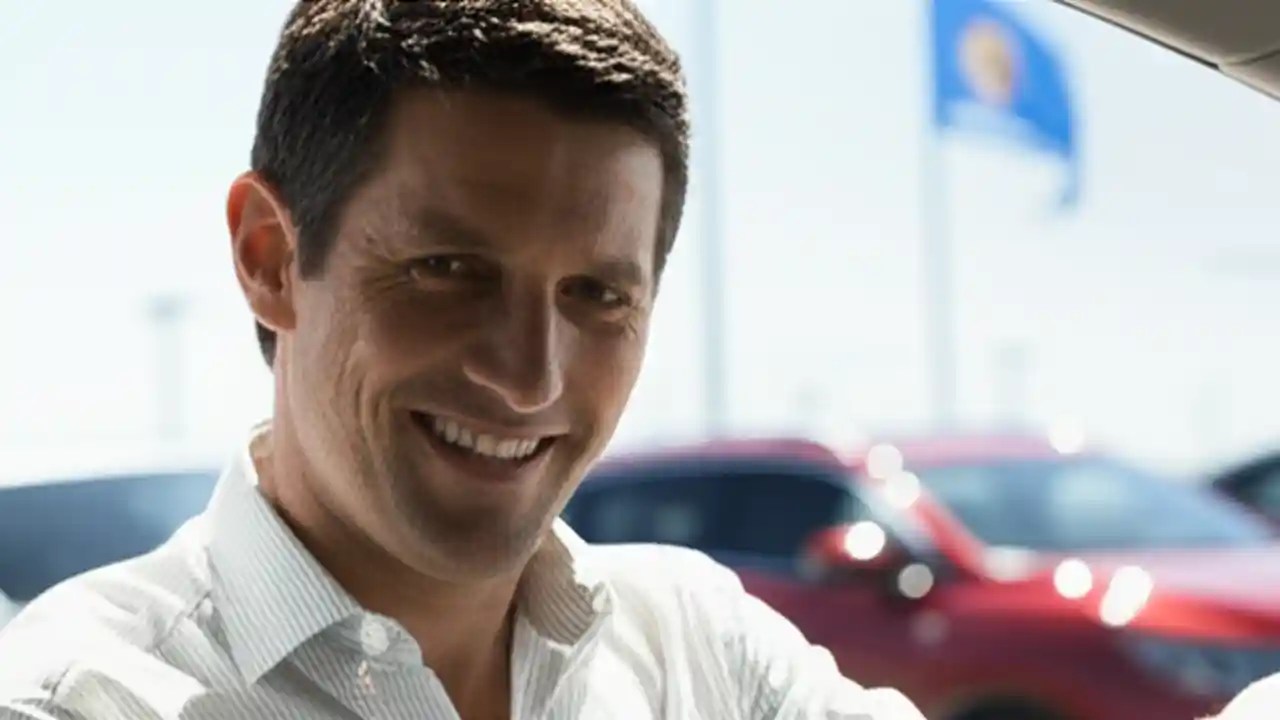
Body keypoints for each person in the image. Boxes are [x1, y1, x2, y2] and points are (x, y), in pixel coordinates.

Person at [0, 1, 925, 718]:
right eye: (448, 272)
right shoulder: (80, 700)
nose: (530, 377)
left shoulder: (701, 655)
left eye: (596, 295)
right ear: (271, 260)